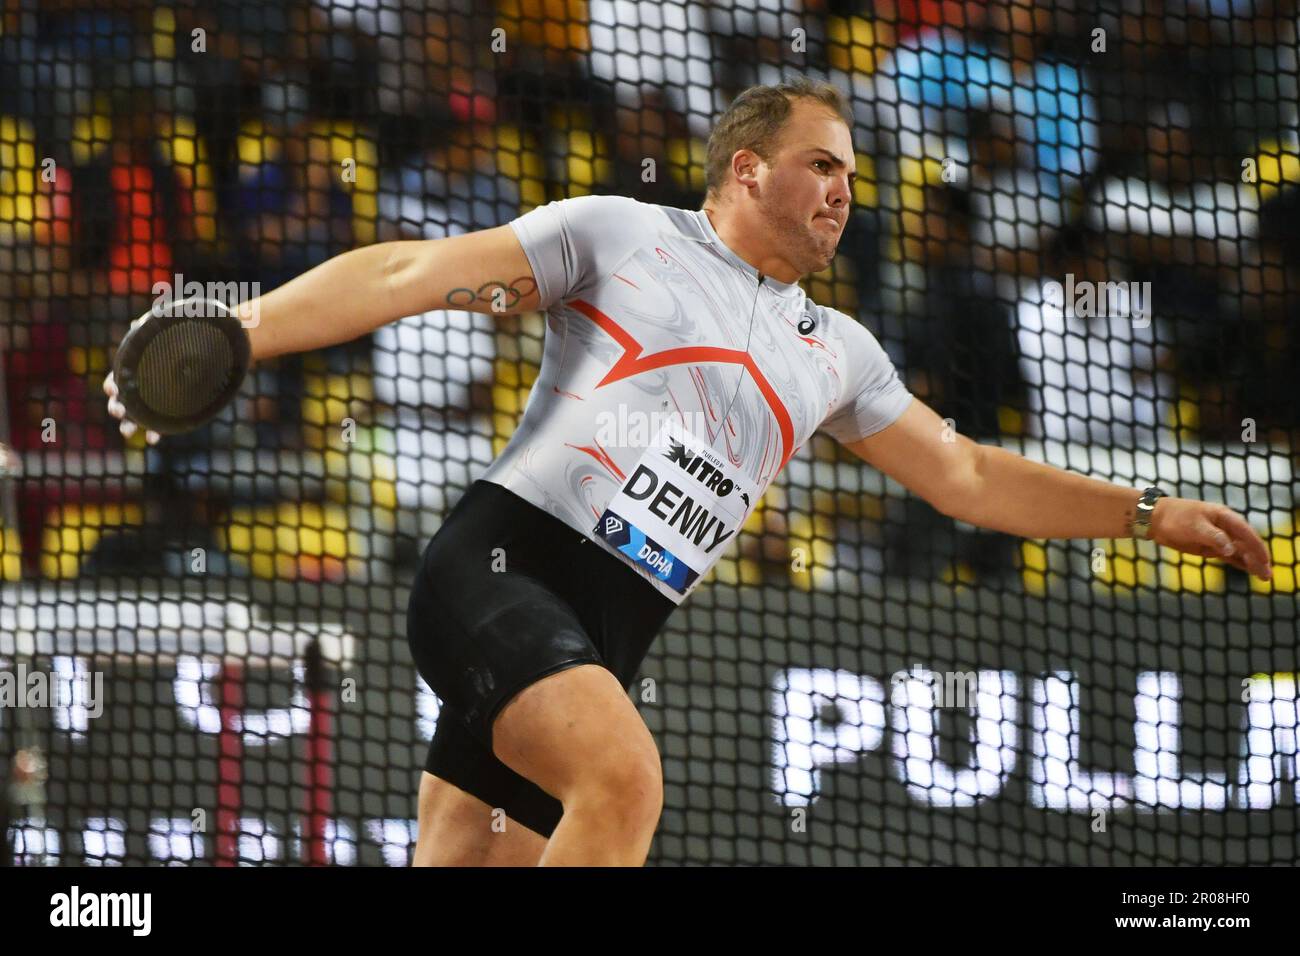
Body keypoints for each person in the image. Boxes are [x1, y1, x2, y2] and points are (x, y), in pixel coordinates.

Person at [104, 77, 1273, 867]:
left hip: (616, 626)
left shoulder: (837, 352)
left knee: (472, 853)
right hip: (505, 564)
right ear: (746, 169)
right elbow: (413, 270)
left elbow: (963, 475)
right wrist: (242, 330)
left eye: (852, 177)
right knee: (624, 777)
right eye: (820, 165)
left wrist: (1142, 509)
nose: (841, 192)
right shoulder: (624, 237)